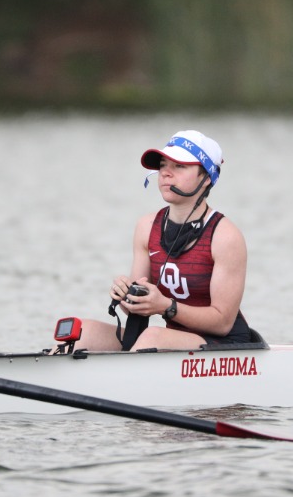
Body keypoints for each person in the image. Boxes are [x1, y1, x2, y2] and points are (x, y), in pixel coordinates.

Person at [71, 130, 253, 352]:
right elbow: (136, 309)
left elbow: (222, 323)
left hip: (226, 345)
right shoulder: (146, 227)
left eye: (179, 166)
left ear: (206, 178)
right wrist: (125, 294)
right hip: (169, 340)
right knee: (82, 331)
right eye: (163, 165)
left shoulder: (225, 237)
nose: (166, 173)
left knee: (152, 337)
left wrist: (166, 306)